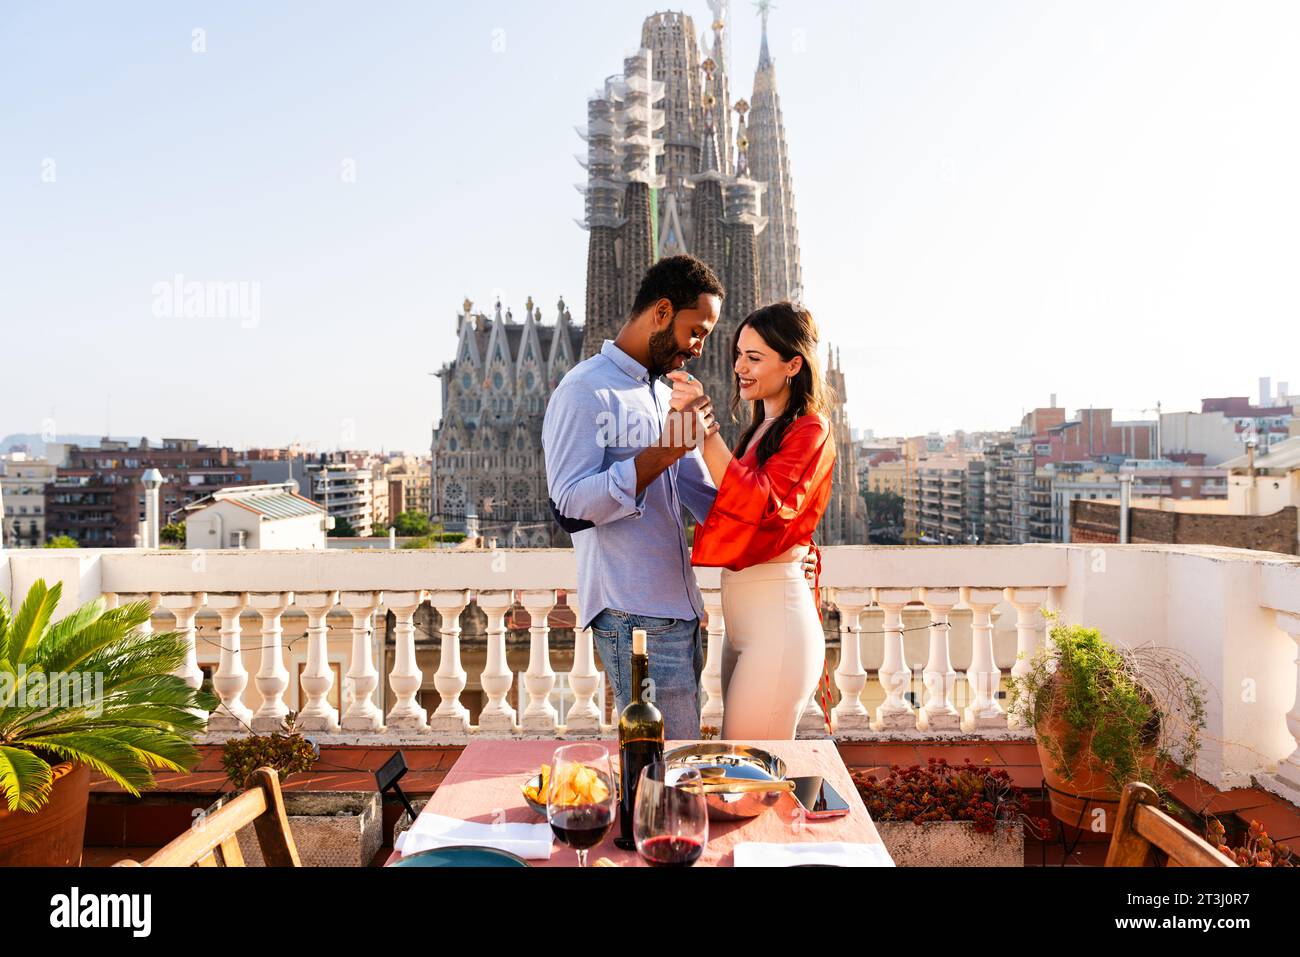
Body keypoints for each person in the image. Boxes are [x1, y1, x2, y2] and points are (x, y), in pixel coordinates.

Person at [542, 255, 725, 740]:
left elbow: (704, 498)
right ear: (661, 312)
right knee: (660, 769)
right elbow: (569, 505)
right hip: (632, 615)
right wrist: (663, 451)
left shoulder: (663, 395)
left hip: (681, 612)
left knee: (678, 760)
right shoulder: (584, 390)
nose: (699, 348)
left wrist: (784, 545)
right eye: (696, 331)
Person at [684, 301, 837, 740]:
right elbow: (736, 509)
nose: (739, 367)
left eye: (754, 358)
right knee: (744, 765)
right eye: (738, 355)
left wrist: (707, 431)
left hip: (777, 629)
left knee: (747, 776)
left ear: (793, 364)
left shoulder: (811, 427)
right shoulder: (757, 431)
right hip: (746, 628)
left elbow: (762, 506)